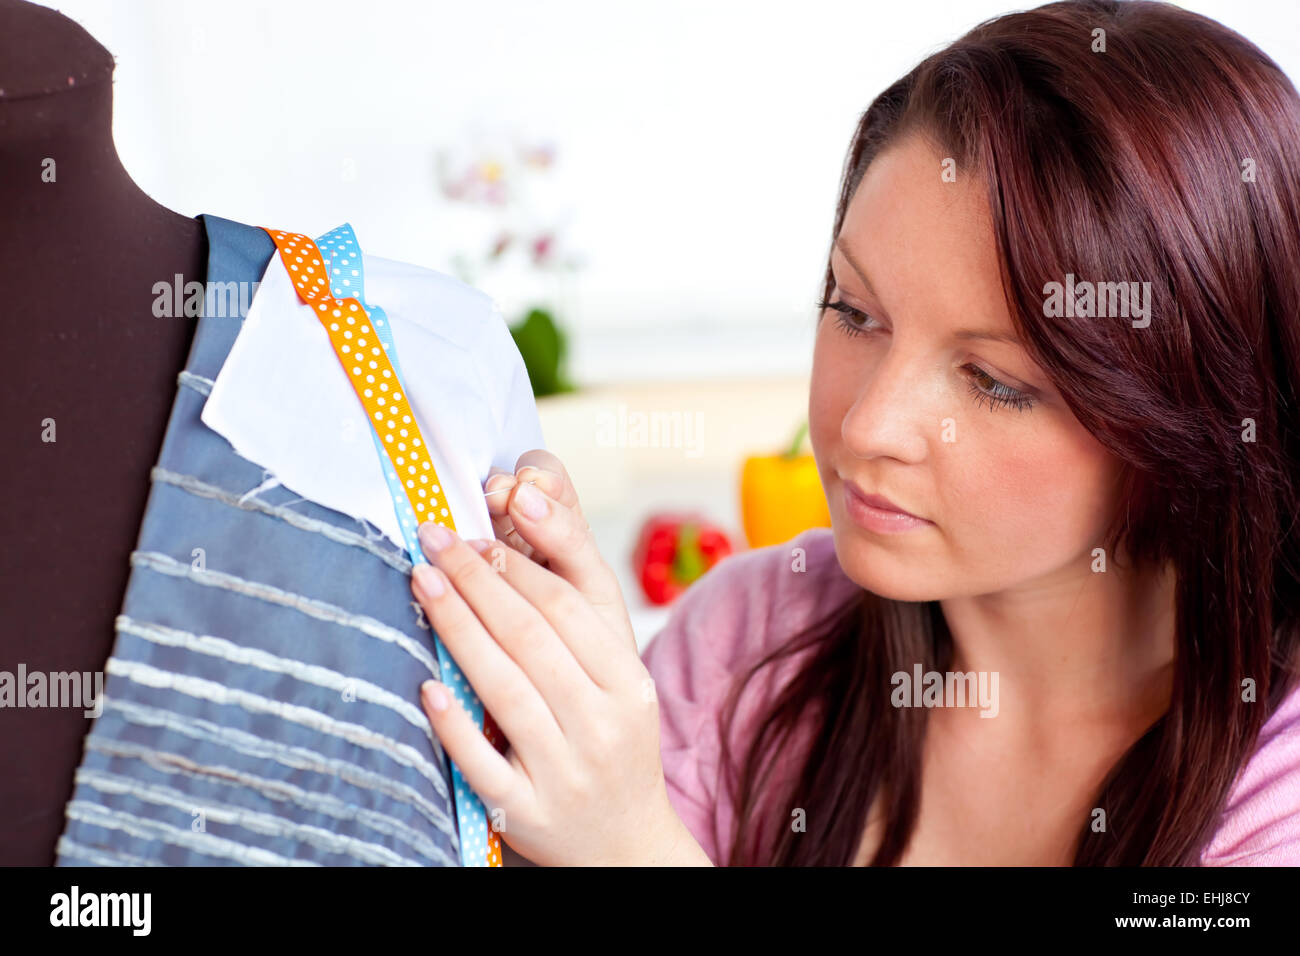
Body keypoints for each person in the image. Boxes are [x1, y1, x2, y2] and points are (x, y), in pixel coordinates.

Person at [407, 0, 1300, 866]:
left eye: (994, 382)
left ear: (1197, 420)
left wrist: (630, 846)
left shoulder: (1278, 792)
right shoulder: (750, 642)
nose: (867, 425)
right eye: (854, 310)